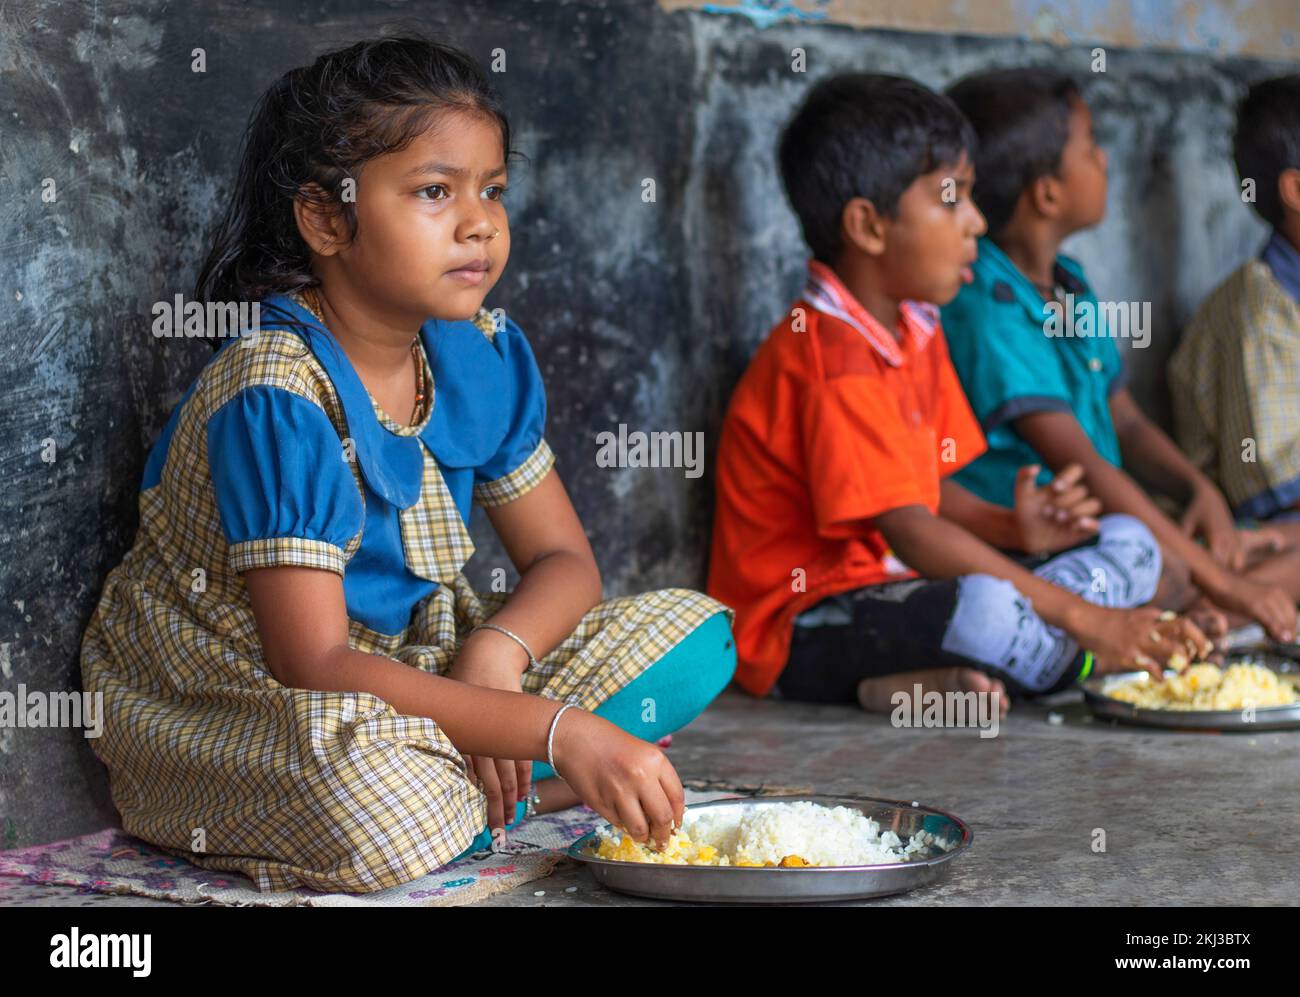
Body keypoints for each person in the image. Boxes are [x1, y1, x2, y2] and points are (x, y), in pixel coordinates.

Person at [80, 34, 736, 894]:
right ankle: (492, 776)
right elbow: (312, 661)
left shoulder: (477, 355)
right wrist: (555, 732)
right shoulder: (278, 390)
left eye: (492, 191)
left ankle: (477, 768)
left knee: (693, 639)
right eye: (435, 192)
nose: (480, 223)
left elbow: (567, 563)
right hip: (245, 697)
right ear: (325, 218)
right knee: (380, 806)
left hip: (423, 668)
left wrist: (498, 657)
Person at [707, 73, 1209, 715]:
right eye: (952, 201)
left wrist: (1014, 526)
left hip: (903, 585)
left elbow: (930, 488)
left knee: (1134, 545)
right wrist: (1089, 617)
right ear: (868, 225)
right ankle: (1072, 651)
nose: (976, 222)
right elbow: (912, 530)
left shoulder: (913, 325)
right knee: (988, 608)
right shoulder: (829, 355)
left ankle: (999, 666)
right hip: (802, 618)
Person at [941, 67, 1299, 638]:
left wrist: (1196, 489)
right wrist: (1224, 581)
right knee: (1168, 565)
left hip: (1107, 522)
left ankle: (1206, 609)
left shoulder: (1070, 282)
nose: (1104, 160)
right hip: (1032, 544)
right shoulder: (984, 303)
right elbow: (1082, 461)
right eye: (1090, 147)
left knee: (1197, 553)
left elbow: (1126, 422)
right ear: (1047, 192)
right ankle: (1207, 616)